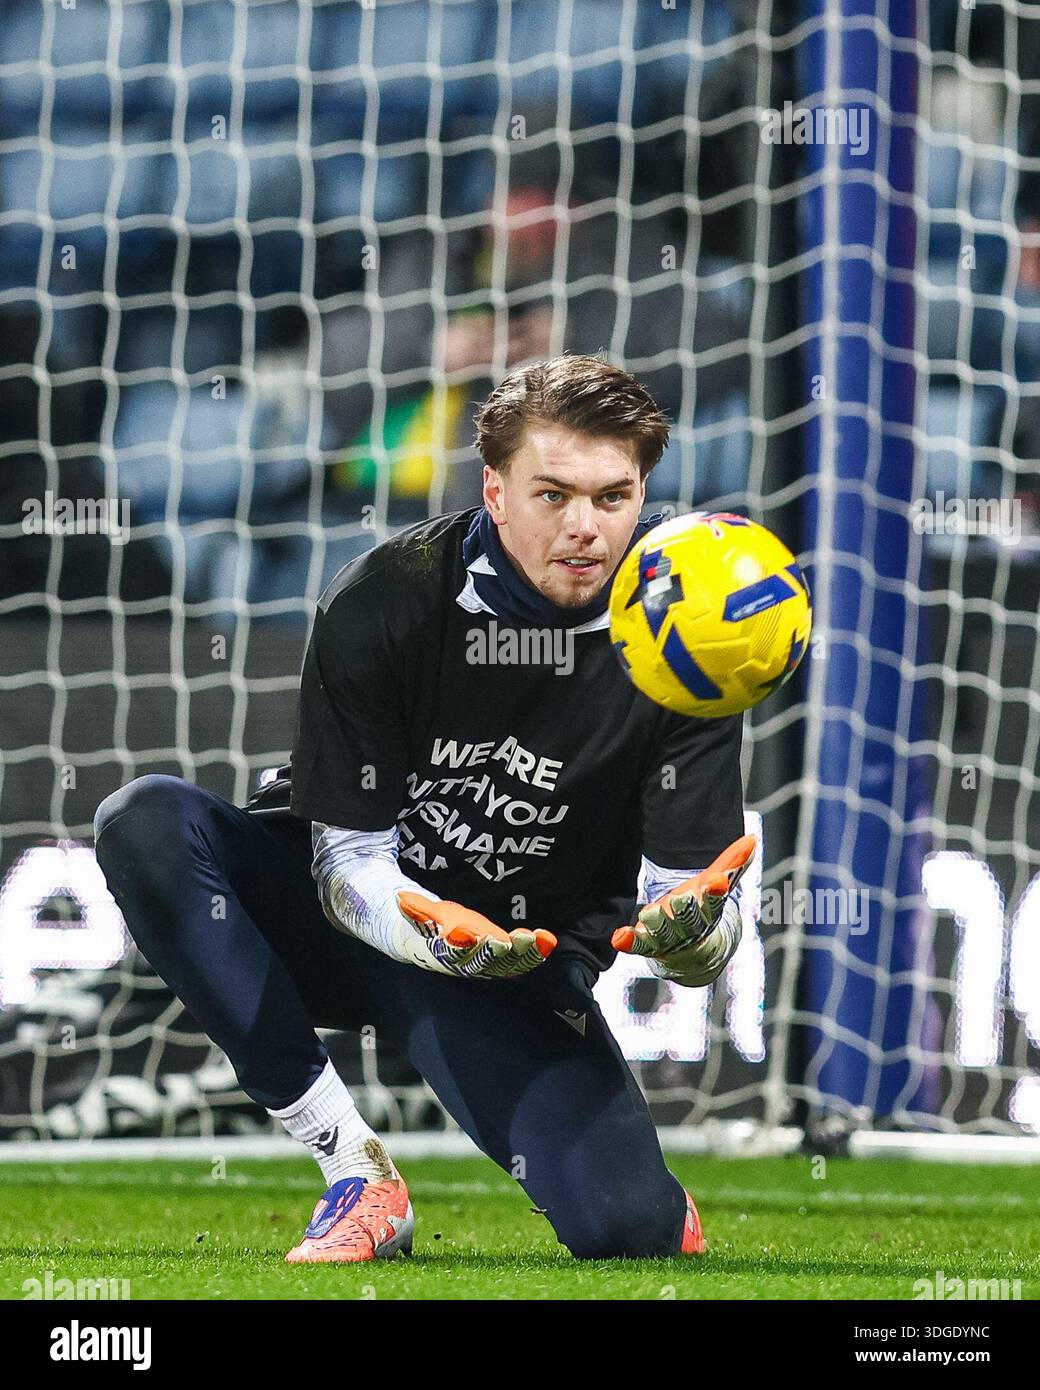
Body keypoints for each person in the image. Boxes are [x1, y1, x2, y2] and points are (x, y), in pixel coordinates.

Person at [93, 355, 752, 1263]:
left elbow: (696, 923)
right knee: (146, 822)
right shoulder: (389, 597)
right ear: (495, 490)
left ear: (643, 493)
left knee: (627, 1233)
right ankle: (355, 1171)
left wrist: (695, 937)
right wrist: (423, 925)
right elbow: (345, 864)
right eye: (552, 494)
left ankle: (623, 1183)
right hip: (354, 913)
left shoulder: (691, 636)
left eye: (613, 497)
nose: (585, 529)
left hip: (515, 965)